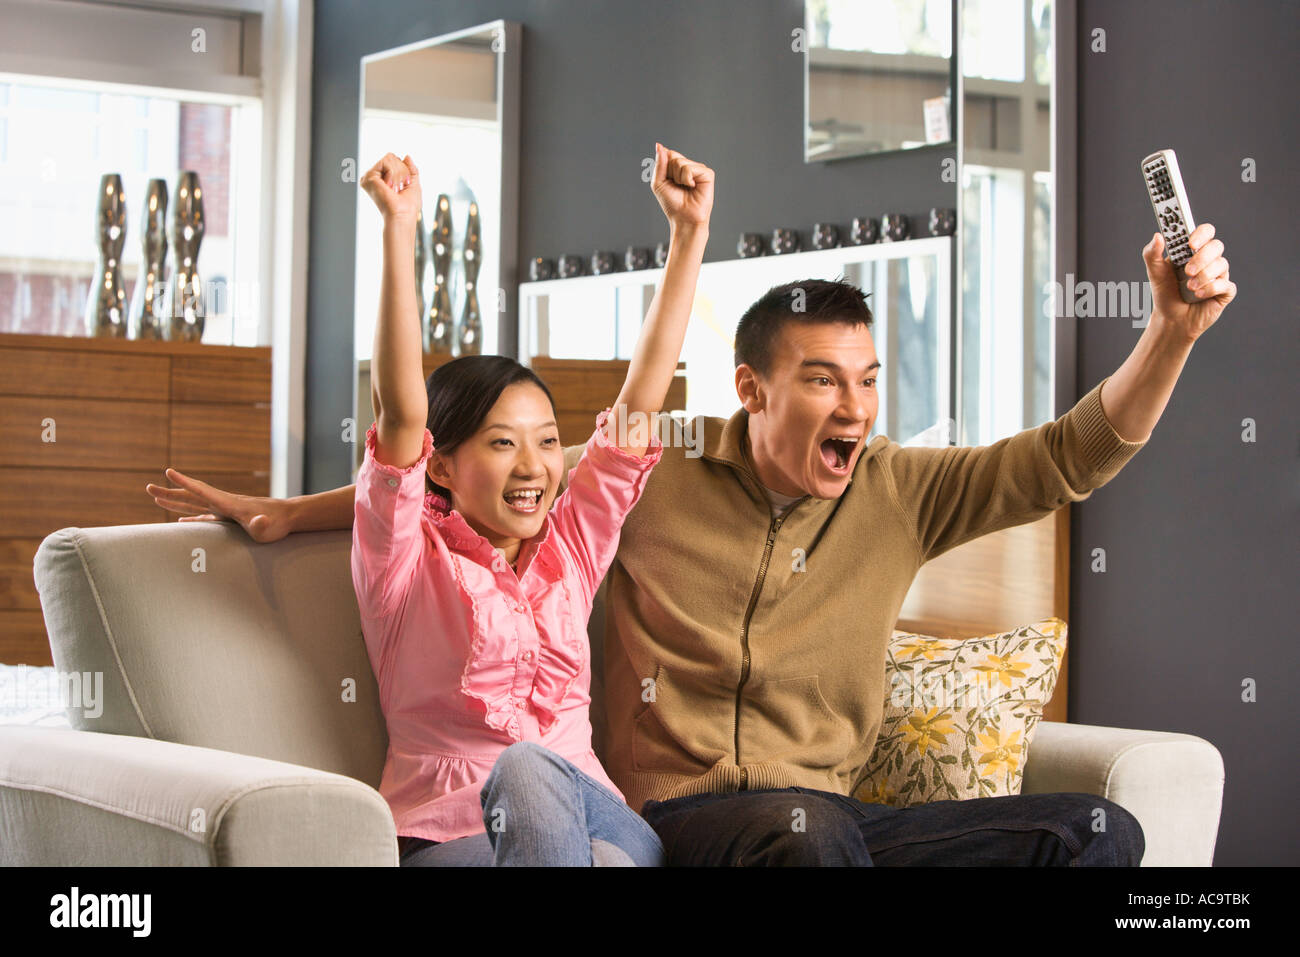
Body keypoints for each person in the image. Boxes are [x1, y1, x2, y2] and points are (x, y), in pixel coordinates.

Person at [148, 194, 1235, 864]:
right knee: (776, 830)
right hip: (696, 824)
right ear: (752, 391)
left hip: (825, 822)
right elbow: (442, 471)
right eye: (821, 380)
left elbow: (1065, 458)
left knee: (1094, 832)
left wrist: (1172, 335)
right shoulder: (653, 483)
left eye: (865, 379)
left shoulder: (897, 491)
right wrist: (295, 510)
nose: (854, 406)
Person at [264, 141, 708, 866]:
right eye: (502, 443)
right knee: (544, 795)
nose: (535, 466)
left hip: (594, 815)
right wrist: (398, 228)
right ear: (440, 463)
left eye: (546, 441)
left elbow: (641, 398)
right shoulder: (401, 564)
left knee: (560, 792)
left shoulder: (572, 546)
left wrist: (689, 236)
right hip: (450, 835)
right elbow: (402, 412)